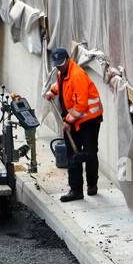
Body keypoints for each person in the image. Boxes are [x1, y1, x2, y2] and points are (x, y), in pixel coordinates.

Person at [46, 47, 103, 202]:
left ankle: (92, 185)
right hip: (74, 119)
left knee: (90, 153)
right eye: (57, 65)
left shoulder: (77, 75)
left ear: (68, 59)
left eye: (61, 64)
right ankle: (76, 190)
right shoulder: (61, 73)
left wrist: (68, 121)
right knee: (72, 155)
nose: (59, 67)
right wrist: (53, 91)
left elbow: (81, 105)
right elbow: (62, 86)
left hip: (89, 120)